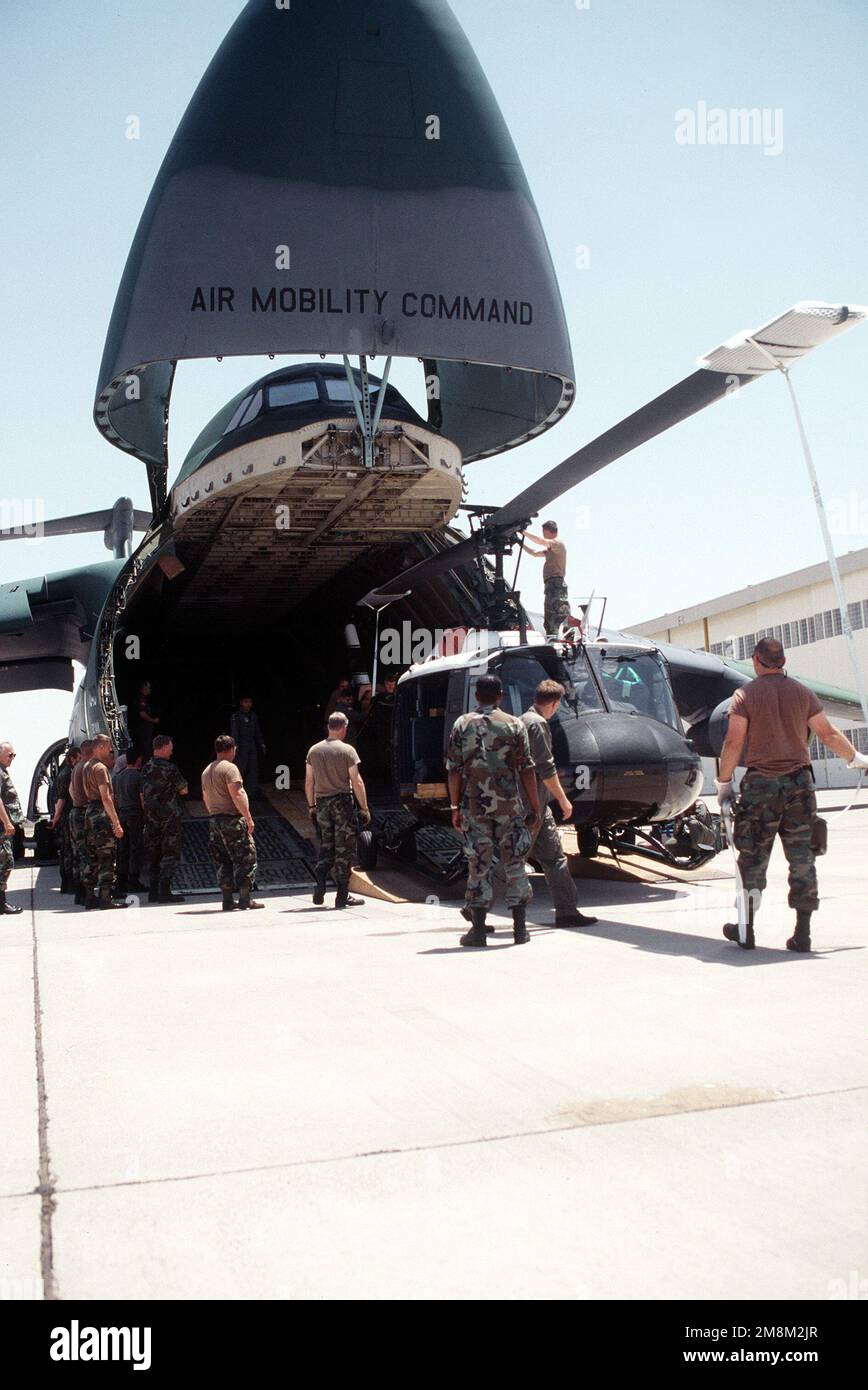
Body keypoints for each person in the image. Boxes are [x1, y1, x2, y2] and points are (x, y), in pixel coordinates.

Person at [716, 637, 868, 952]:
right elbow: (827, 733)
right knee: (803, 859)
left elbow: (733, 742)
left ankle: (746, 928)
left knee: (753, 859)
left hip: (761, 789)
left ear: (756, 660)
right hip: (800, 786)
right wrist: (854, 758)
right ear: (783, 661)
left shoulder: (745, 695)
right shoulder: (802, 693)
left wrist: (724, 782)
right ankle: (802, 934)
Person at [463, 679, 598, 930]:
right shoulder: (536, 725)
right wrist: (564, 799)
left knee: (554, 857)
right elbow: (545, 768)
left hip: (536, 804)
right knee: (515, 859)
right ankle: (476, 907)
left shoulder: (523, 720)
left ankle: (567, 910)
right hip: (530, 805)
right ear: (555, 703)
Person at [446, 673, 541, 947]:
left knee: (478, 864)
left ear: (477, 696)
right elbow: (527, 768)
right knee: (515, 863)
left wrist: (454, 806)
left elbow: (453, 769)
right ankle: (520, 930)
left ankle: (477, 931)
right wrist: (534, 806)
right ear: (500, 695)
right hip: (509, 806)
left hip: (474, 806)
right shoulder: (513, 725)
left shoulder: (462, 725)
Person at [305, 711, 370, 909]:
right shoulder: (348, 750)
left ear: (328, 727)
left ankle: (321, 882)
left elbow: (309, 783)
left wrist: (311, 807)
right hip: (342, 803)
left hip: (322, 804)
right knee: (344, 848)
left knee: (327, 844)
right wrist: (364, 807)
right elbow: (356, 781)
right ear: (343, 727)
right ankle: (342, 895)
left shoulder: (313, 751)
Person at [201, 734, 263, 911]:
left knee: (223, 860)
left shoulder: (207, 770)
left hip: (215, 820)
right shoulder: (230, 769)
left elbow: (205, 797)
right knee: (246, 857)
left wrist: (214, 814)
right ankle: (245, 898)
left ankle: (227, 900)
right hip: (232, 820)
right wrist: (248, 817)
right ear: (232, 749)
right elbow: (237, 794)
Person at [81, 733, 128, 911]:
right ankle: (105, 898)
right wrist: (116, 823)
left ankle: (89, 897)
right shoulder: (100, 768)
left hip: (90, 812)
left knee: (92, 856)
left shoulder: (86, 766)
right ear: (100, 747)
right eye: (108, 747)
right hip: (101, 813)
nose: (110, 751)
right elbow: (106, 797)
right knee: (107, 856)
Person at [141, 734, 188, 903]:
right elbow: (183, 790)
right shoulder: (170, 768)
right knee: (170, 852)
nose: (172, 750)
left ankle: (153, 891)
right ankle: (165, 891)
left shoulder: (146, 767)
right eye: (170, 747)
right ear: (162, 747)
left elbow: (142, 793)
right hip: (168, 817)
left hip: (151, 817)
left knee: (154, 853)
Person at [522, 520, 571, 637]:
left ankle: (563, 634)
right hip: (551, 584)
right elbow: (534, 552)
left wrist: (523, 532)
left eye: (543, 532)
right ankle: (554, 636)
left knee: (555, 613)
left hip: (556, 584)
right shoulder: (551, 549)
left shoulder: (557, 543)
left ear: (548, 531)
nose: (543, 534)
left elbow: (541, 541)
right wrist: (520, 543)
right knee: (551, 614)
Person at [113, 749, 145, 893]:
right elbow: (142, 799)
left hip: (122, 815)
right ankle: (133, 880)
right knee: (135, 848)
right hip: (135, 815)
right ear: (138, 759)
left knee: (122, 849)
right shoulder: (139, 777)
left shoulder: (117, 777)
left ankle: (121, 881)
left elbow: (114, 798)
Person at [50, 744, 81, 894]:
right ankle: (69, 883)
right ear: (72, 759)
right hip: (67, 817)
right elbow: (61, 799)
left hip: (66, 816)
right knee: (69, 851)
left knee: (67, 850)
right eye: (78, 758)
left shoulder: (68, 773)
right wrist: (56, 817)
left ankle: (68, 883)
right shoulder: (67, 774)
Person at [68, 738, 94, 906]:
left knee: (79, 854)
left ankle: (80, 893)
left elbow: (71, 790)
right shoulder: (87, 767)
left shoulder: (76, 767)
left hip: (75, 811)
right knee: (88, 855)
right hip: (84, 813)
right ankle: (89, 894)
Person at [0, 741, 25, 916]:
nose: (13, 758)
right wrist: (7, 822)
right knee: (6, 863)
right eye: (10, 755)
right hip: (2, 827)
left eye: (14, 755)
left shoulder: (3, 771)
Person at [230, 696, 267, 788]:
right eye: (246, 702)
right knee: (241, 768)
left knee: (253, 768)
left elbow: (257, 731)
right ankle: (238, 788)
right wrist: (235, 746)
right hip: (241, 745)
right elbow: (234, 732)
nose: (248, 704)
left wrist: (261, 743)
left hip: (251, 745)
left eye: (250, 702)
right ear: (241, 703)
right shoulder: (236, 716)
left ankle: (252, 790)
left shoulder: (253, 715)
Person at [129, 680, 160, 758]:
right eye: (148, 687)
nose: (150, 689)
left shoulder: (144, 699)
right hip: (142, 730)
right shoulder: (140, 699)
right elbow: (142, 713)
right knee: (146, 751)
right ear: (144, 688)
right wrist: (153, 720)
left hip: (145, 731)